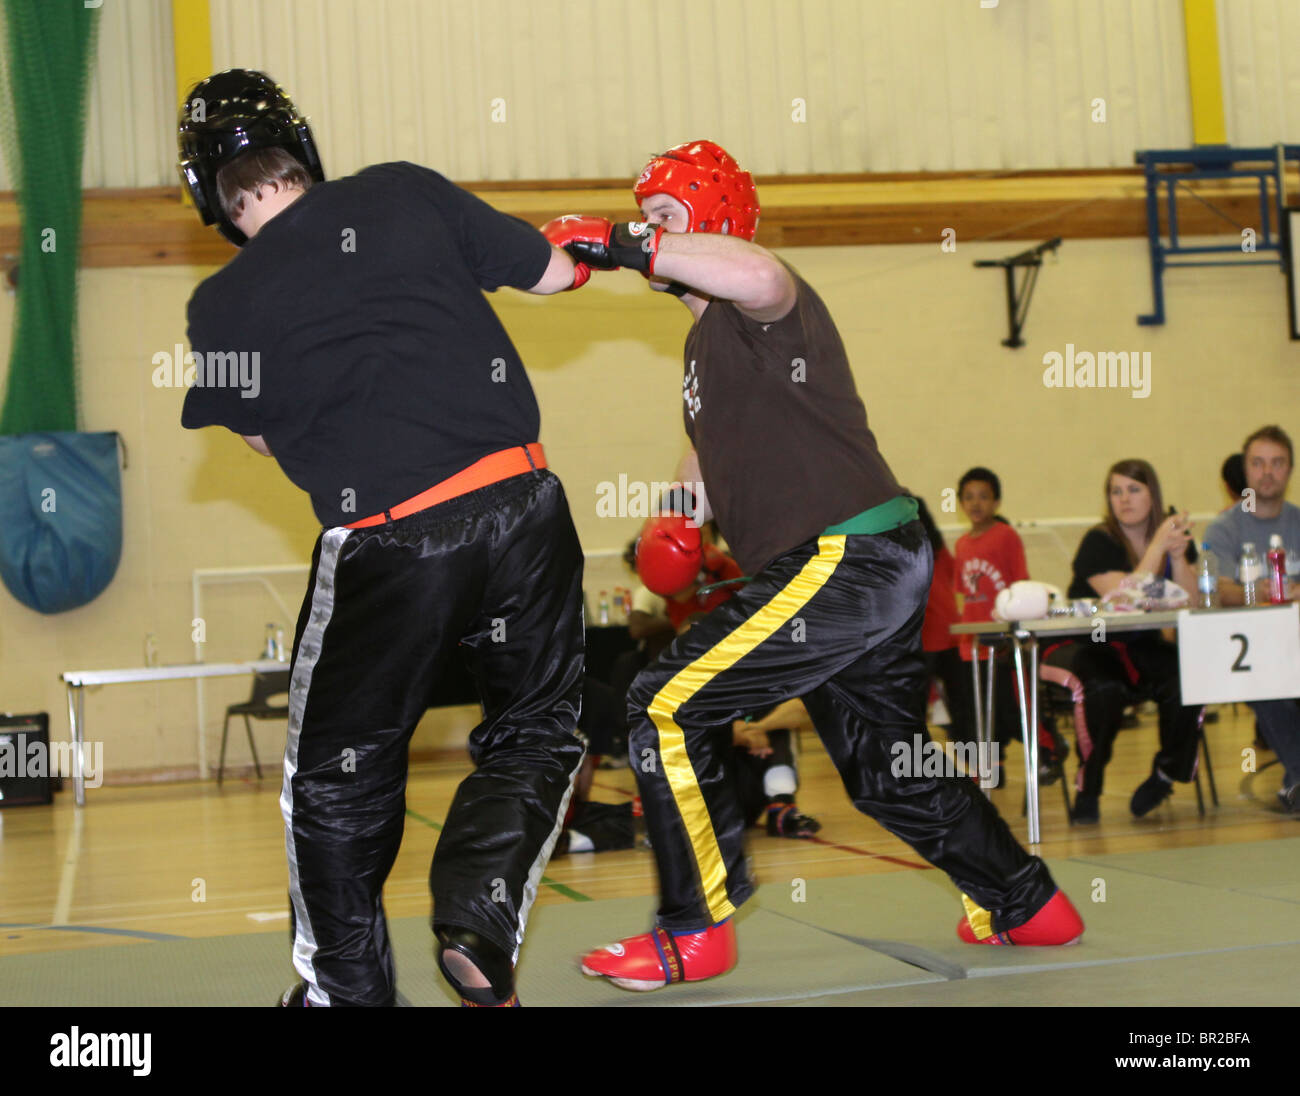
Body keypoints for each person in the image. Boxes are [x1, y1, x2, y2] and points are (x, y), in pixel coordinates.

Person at [541, 140, 1083, 991]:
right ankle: (1027, 904)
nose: (649, 232)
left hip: (849, 554)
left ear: (715, 217)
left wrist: (615, 239)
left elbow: (758, 273)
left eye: (664, 216)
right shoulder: (700, 351)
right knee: (881, 769)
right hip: (864, 561)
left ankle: (695, 930)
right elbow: (702, 459)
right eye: (644, 218)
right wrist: (673, 523)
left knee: (664, 703)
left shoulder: (764, 301)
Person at [177, 70, 588, 1007]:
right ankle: (479, 914)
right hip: (525, 502)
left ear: (206, 190)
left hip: (395, 541)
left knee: (335, 778)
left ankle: (344, 996)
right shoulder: (401, 188)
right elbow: (557, 273)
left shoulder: (221, 305)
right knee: (535, 730)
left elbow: (260, 434)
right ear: (303, 147)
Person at [1041, 460, 1200, 823]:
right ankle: (1089, 787)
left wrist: (1177, 555)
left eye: (1134, 489)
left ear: (1153, 495)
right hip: (1091, 643)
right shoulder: (1098, 541)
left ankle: (1165, 773)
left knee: (1187, 676)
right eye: (1116, 491)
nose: (1124, 499)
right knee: (1105, 690)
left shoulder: (1169, 542)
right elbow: (1125, 599)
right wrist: (1159, 545)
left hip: (1140, 643)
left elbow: (1191, 601)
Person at [1204, 426, 1300, 814]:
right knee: (1265, 683)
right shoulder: (1224, 528)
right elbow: (1217, 591)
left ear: (1290, 469)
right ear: (1245, 471)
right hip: (1249, 648)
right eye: (1258, 463)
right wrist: (1264, 592)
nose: (1267, 472)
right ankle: (1297, 773)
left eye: (1277, 463)